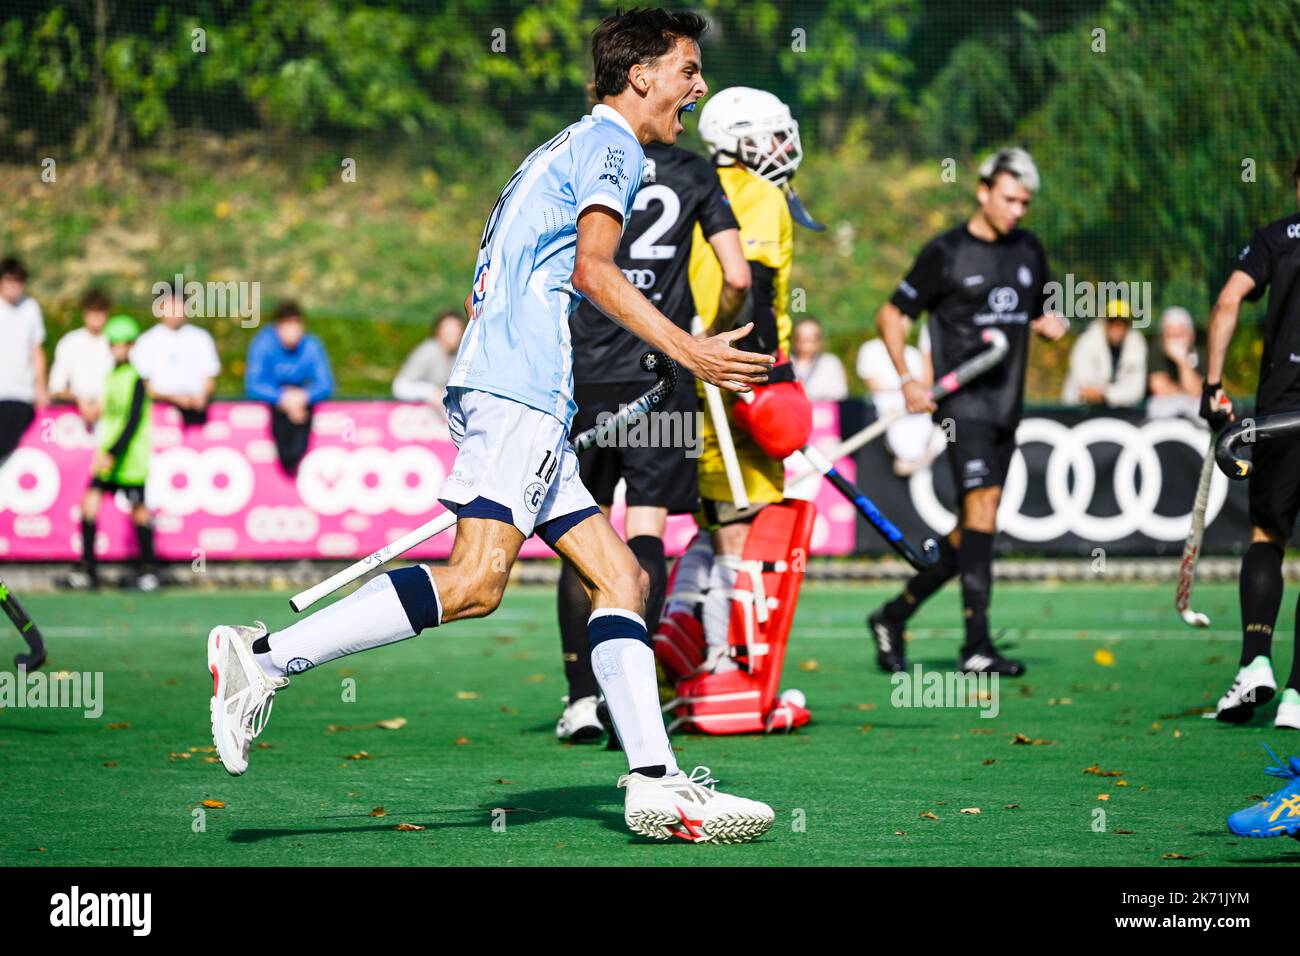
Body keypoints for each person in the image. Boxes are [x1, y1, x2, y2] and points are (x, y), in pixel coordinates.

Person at [206, 8, 777, 844]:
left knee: (622, 581)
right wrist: (689, 348)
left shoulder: (560, 147)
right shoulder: (615, 145)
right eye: (688, 69)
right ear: (642, 73)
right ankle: (260, 662)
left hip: (523, 391)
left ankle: (656, 782)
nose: (698, 87)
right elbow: (593, 270)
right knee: (475, 581)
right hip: (519, 389)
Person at [555, 132, 750, 743]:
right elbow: (737, 275)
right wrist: (705, 340)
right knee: (648, 531)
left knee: (577, 531)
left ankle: (581, 699)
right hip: (663, 376)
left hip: (581, 374)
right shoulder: (694, 171)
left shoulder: (577, 157)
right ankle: (630, 698)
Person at [867, 147, 1068, 676]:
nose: (1018, 210)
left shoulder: (1028, 249)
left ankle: (893, 614)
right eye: (1009, 198)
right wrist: (908, 379)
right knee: (980, 516)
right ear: (982, 191)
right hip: (963, 407)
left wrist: (1053, 322)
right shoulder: (946, 252)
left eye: (1025, 201)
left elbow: (1046, 309)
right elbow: (892, 314)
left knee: (975, 529)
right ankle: (976, 647)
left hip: (1007, 406)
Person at [681, 85, 815, 676]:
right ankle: (727, 663)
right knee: (742, 523)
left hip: (685, 364)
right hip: (738, 370)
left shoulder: (686, 180)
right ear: (737, 142)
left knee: (712, 518)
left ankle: (677, 642)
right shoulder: (758, 194)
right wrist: (765, 379)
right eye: (772, 135)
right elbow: (752, 289)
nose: (785, 148)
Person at [1202, 152, 1300, 730]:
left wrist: (1213, 387)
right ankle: (1297, 698)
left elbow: (1227, 302)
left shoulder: (1277, 237)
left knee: (1267, 536)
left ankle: (1255, 661)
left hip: (1281, 413)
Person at [62, 316, 157, 592]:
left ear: (131, 345)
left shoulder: (136, 379)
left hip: (130, 458)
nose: (118, 348)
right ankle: (88, 570)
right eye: (113, 343)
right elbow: (108, 413)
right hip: (108, 456)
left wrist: (114, 452)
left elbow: (133, 421)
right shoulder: (111, 376)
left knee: (139, 511)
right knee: (89, 503)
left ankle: (149, 572)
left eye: (123, 344)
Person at [245, 301, 334, 475]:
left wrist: (303, 397)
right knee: (285, 449)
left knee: (296, 448)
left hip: (301, 405)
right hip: (274, 405)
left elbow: (325, 384)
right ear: (277, 327)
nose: (292, 332)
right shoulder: (263, 343)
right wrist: (282, 398)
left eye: (296, 325)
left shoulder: (311, 345)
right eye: (287, 326)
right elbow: (253, 384)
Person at [856, 319, 937, 476]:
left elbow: (924, 384)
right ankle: (909, 457)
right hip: (888, 406)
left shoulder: (913, 353)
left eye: (907, 323)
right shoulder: (870, 349)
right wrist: (905, 389)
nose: (903, 327)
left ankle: (918, 457)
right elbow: (873, 385)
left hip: (911, 405)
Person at [132, 292, 219, 425]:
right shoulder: (146, 341)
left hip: (196, 417)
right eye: (171, 307)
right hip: (158, 418)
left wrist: (202, 397)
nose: (175, 312)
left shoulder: (201, 338)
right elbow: (144, 386)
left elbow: (210, 376)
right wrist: (174, 398)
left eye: (179, 306)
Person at [0, 257, 48, 462]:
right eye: (9, 280)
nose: (13, 286)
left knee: (10, 449)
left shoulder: (30, 308)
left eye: (18, 281)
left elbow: (36, 351)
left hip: (20, 394)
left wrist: (41, 387)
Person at [1059, 298, 1148, 407]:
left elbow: (1136, 390)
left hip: (1119, 413)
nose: (1116, 327)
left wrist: (1106, 395)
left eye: (1121, 322)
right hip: (1079, 411)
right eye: (1112, 321)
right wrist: (1113, 394)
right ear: (1104, 322)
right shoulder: (1087, 341)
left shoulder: (1136, 343)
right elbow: (1086, 389)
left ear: (1127, 325)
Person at [49, 289, 115, 426]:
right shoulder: (69, 342)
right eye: (92, 311)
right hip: (72, 420)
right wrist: (80, 400)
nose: (96, 316)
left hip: (111, 417)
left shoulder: (117, 344)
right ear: (84, 313)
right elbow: (56, 388)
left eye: (100, 311)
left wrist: (103, 401)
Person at [392, 311, 465, 415]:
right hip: (418, 418)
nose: (453, 331)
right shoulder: (428, 351)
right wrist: (431, 392)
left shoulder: (462, 354)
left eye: (457, 327)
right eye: (448, 327)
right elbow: (400, 387)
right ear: (438, 331)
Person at [1146, 306, 1204, 420]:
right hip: (1164, 412)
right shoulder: (1156, 352)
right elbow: (1159, 389)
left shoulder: (1200, 354)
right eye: (1170, 333)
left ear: (1191, 335)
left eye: (1180, 333)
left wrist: (1182, 361)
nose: (1175, 336)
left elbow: (1196, 392)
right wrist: (1186, 389)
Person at [792, 318, 848, 401]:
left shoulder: (830, 363)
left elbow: (840, 393)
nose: (807, 340)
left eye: (812, 337)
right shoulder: (787, 361)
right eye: (803, 337)